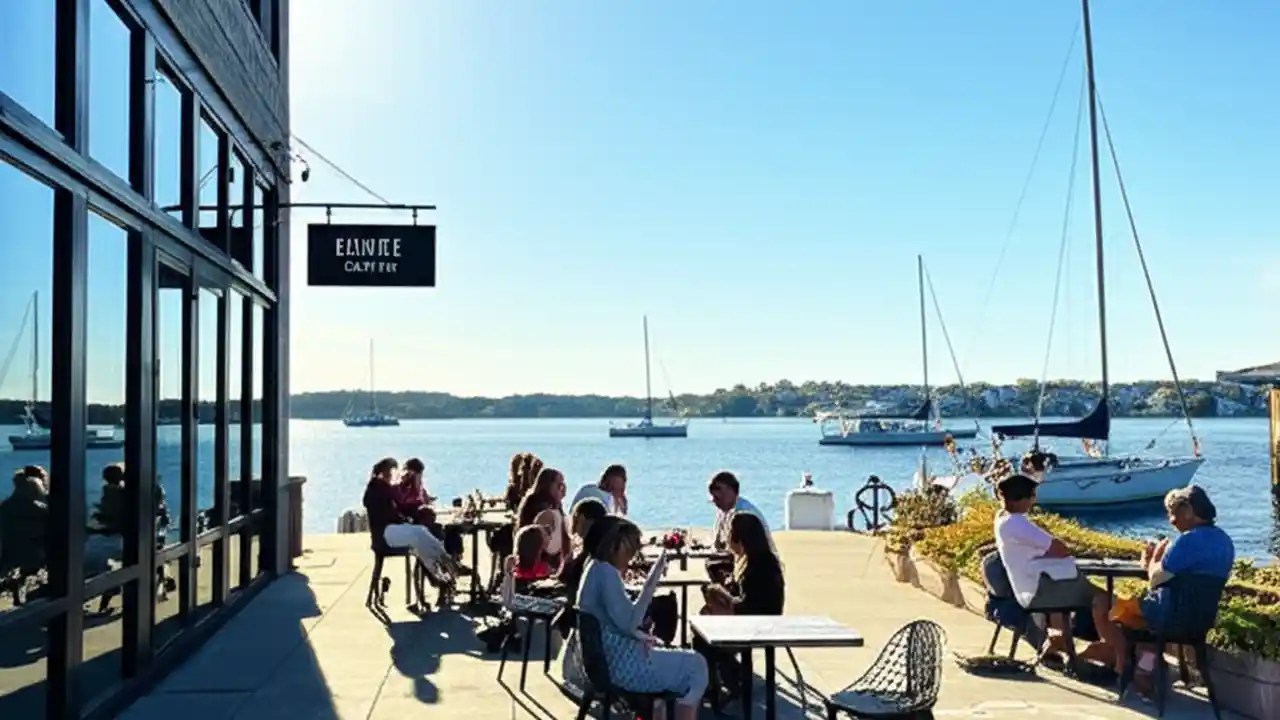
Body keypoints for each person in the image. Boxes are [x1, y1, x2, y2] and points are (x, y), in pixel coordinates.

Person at [577, 519, 708, 720]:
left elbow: (616, 623)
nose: (631, 557)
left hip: (608, 659)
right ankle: (677, 711)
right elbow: (631, 622)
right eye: (629, 549)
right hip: (622, 667)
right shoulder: (606, 573)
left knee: (682, 666)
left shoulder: (593, 568)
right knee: (697, 666)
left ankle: (659, 710)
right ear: (616, 545)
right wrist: (652, 580)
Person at [1115, 485, 1235, 693]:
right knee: (1143, 618)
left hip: (1170, 616)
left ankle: (1135, 668)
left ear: (1188, 511)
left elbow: (1155, 579)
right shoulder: (1224, 541)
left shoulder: (1188, 541)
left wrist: (1151, 560)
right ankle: (1147, 664)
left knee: (1117, 609)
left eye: (1174, 512)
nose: (1171, 519)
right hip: (1199, 620)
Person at [994, 473, 1121, 668]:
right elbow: (1059, 548)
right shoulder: (1017, 523)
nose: (1034, 501)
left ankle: (1058, 644)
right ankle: (1112, 651)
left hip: (1032, 586)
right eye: (1032, 496)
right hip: (1042, 588)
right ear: (1023, 498)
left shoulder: (1002, 520)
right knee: (1104, 599)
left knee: (1095, 598)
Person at [697, 512, 785, 695]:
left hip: (759, 624)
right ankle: (728, 677)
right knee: (705, 618)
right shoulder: (760, 560)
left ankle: (727, 681)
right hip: (758, 618)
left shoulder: (759, 567)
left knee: (703, 638)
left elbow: (749, 606)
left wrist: (723, 600)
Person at [362, 457, 453, 583]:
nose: (392, 475)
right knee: (420, 534)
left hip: (391, 531)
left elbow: (400, 507)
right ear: (383, 473)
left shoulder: (383, 488)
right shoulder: (378, 489)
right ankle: (446, 563)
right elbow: (398, 504)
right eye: (390, 472)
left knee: (420, 537)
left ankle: (440, 573)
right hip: (385, 534)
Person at [708, 471, 775, 555]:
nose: (714, 501)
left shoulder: (746, 515)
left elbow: (743, 551)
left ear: (730, 492)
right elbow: (719, 544)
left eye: (717, 497)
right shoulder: (724, 511)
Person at [515, 467, 571, 568]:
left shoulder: (553, 503)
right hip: (539, 559)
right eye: (559, 485)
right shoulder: (538, 504)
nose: (562, 488)